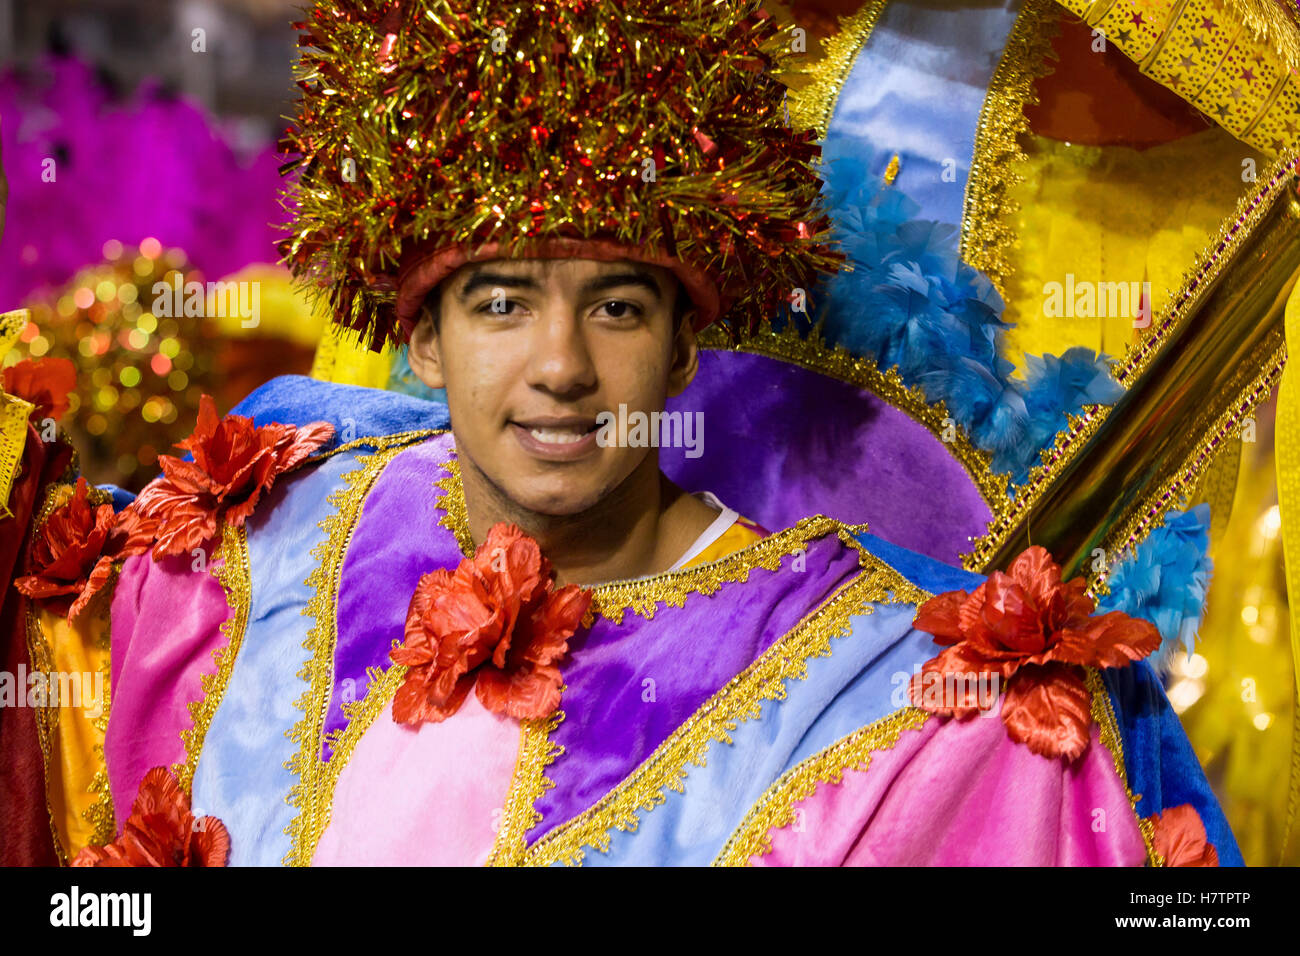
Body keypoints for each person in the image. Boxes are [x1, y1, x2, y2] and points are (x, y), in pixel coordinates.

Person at [2, 0, 1239, 866]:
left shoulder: (892, 701)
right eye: (499, 301)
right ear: (420, 343)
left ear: (686, 350)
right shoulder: (262, 547)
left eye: (615, 305)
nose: (559, 367)